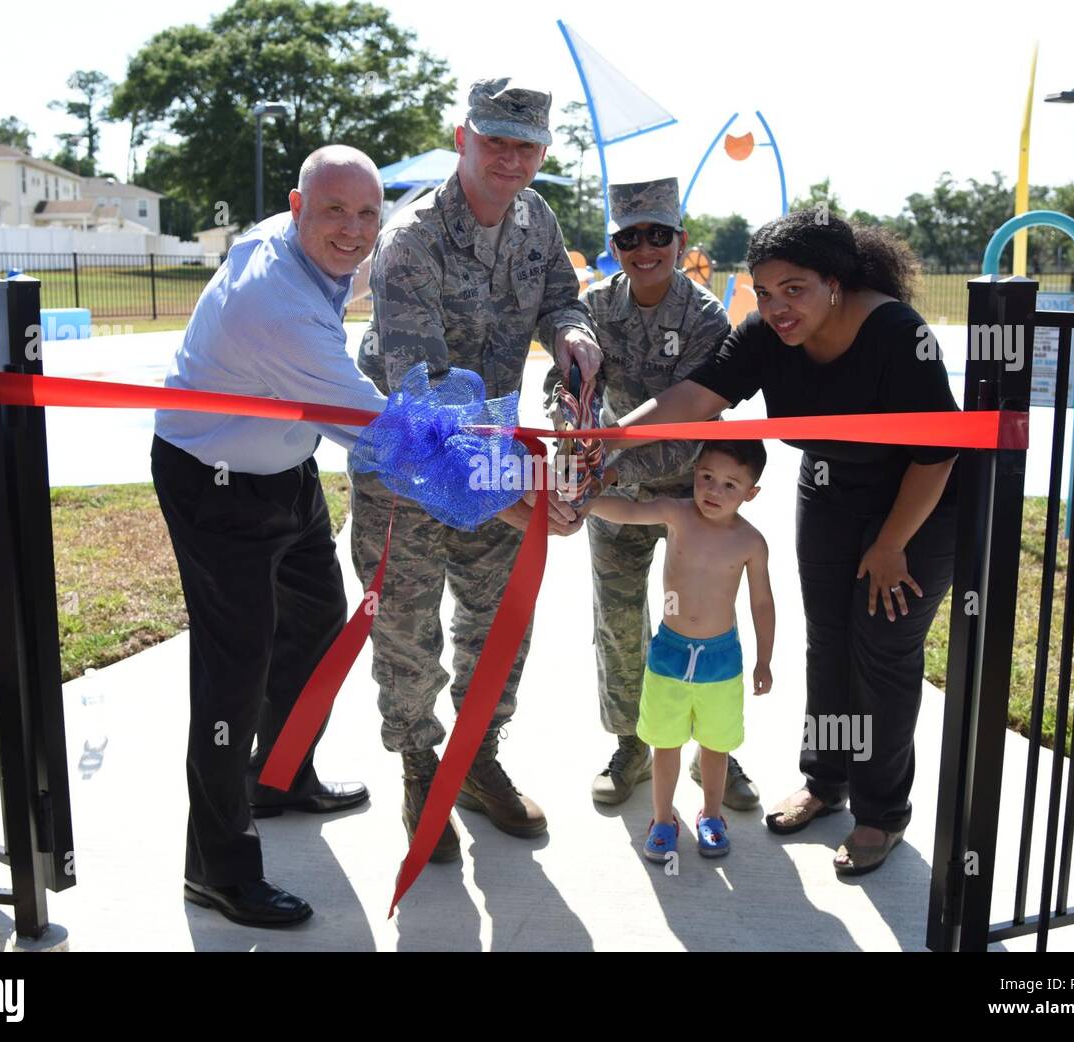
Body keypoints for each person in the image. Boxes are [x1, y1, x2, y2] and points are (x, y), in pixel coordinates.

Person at [616, 210, 959, 876]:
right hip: (832, 488)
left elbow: (939, 453)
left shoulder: (897, 333)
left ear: (835, 283)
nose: (776, 307)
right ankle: (827, 782)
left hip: (919, 501)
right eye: (765, 292)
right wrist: (608, 443)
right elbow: (694, 398)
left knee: (880, 648)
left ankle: (881, 813)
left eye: (794, 289)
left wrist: (891, 546)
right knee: (829, 637)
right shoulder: (767, 333)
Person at [353, 77, 602, 861]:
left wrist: (572, 335)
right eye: (495, 139)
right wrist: (523, 498)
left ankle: (477, 756)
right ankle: (423, 767)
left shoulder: (537, 216)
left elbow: (563, 296)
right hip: (411, 461)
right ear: (462, 136)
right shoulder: (412, 240)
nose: (510, 158)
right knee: (407, 623)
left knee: (498, 619)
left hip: (493, 447)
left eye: (525, 145)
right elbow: (423, 409)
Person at [152, 145, 386, 928]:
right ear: (296, 206)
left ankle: (279, 775)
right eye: (334, 211)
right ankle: (215, 868)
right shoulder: (275, 303)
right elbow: (381, 431)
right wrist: (500, 478)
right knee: (233, 673)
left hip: (286, 468)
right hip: (213, 482)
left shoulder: (287, 242)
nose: (353, 231)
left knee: (318, 621)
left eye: (366, 213)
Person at [553, 177, 758, 810]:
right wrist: (569, 430)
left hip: (696, 494)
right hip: (612, 485)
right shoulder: (594, 309)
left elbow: (693, 419)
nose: (645, 249)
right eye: (630, 237)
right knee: (617, 619)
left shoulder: (704, 318)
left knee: (699, 620)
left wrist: (609, 462)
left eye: (659, 236)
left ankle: (713, 750)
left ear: (680, 240)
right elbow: (568, 389)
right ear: (615, 244)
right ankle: (632, 745)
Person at [586, 441, 774, 861]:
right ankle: (662, 819)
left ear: (751, 493)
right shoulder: (677, 514)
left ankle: (710, 815)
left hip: (720, 662)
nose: (714, 490)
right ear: (694, 474)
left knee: (715, 744)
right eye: (706, 477)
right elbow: (630, 512)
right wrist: (588, 501)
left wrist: (764, 659)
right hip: (669, 655)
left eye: (730, 484)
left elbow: (762, 602)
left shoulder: (750, 542)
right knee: (665, 741)